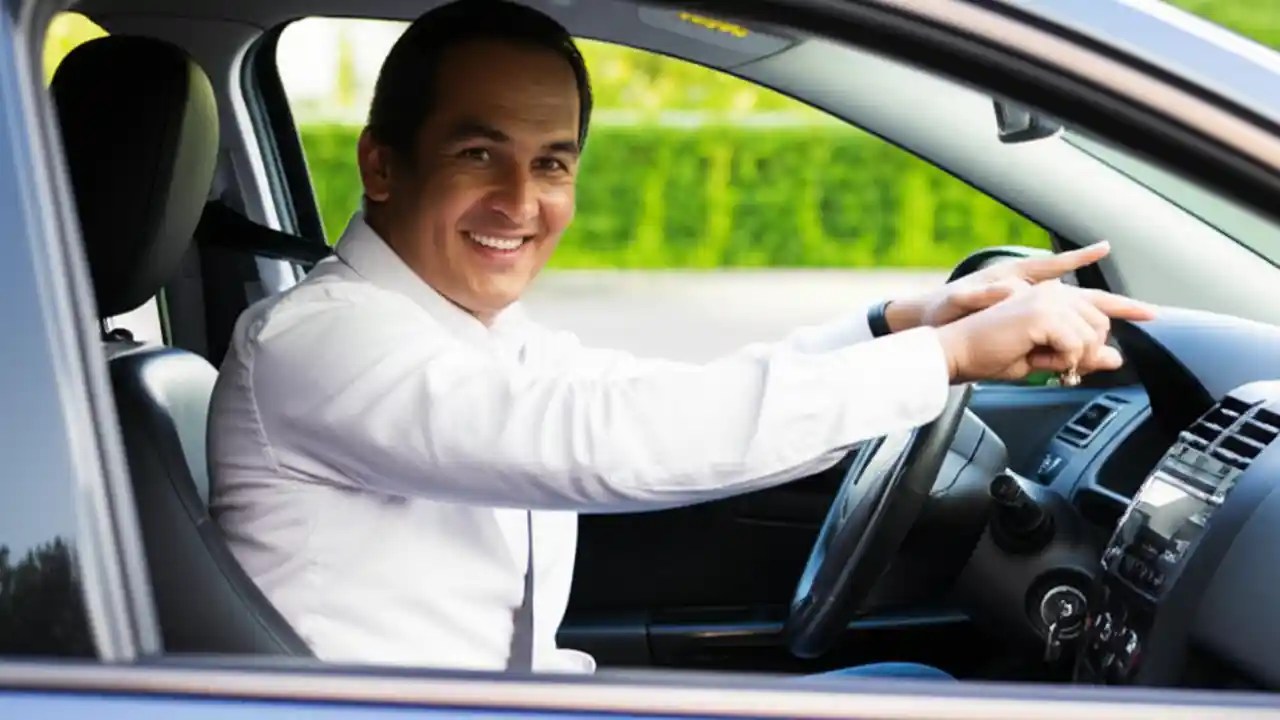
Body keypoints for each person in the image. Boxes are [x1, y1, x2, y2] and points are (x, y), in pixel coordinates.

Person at [206, 0, 1155, 678]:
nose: (521, 201)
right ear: (381, 162)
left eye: (551, 164)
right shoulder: (315, 346)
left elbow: (671, 395)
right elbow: (608, 441)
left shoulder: (474, 336)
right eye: (476, 153)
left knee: (914, 692)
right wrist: (945, 361)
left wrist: (901, 323)